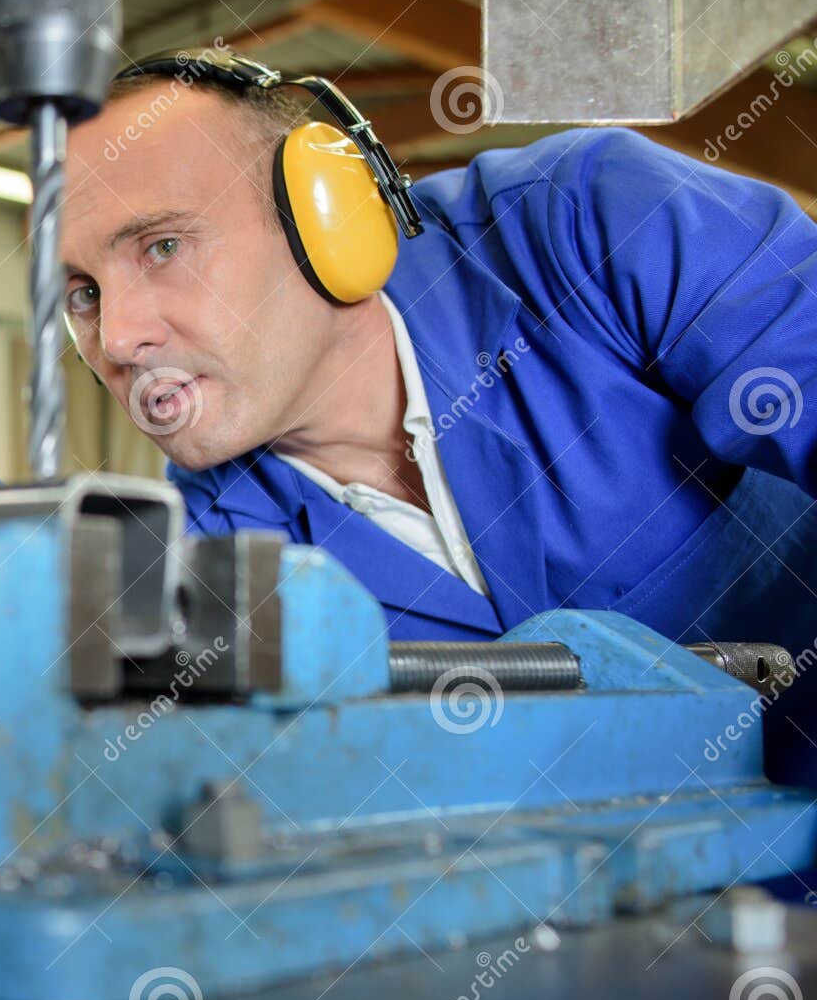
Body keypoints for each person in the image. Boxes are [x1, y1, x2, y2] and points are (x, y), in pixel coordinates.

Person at [59, 50, 817, 780]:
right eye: (84, 293)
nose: (119, 338)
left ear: (328, 216)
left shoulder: (590, 226)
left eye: (162, 246)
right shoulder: (201, 572)